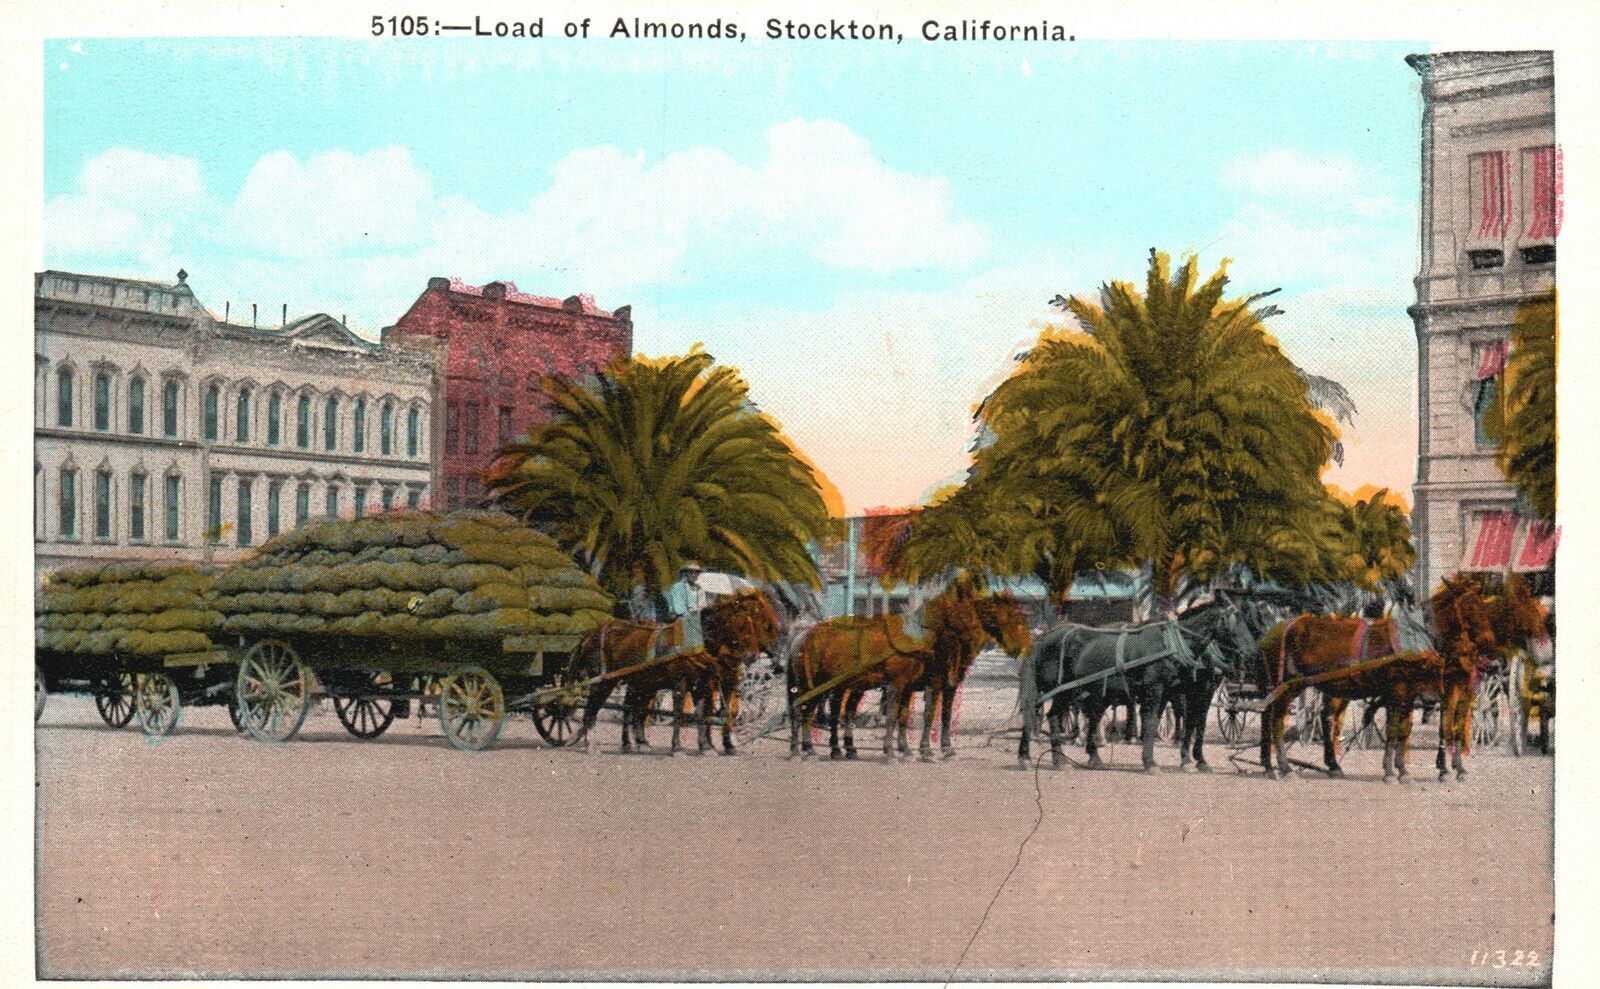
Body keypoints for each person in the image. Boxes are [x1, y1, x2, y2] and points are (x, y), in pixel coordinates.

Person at [660, 562, 708, 655]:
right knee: (683, 622)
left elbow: (703, 605)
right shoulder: (678, 587)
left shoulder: (700, 589)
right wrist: (693, 610)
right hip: (681, 617)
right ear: (686, 573)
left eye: (696, 572)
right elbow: (679, 608)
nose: (694, 575)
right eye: (691, 572)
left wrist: (697, 609)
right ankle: (680, 649)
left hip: (698, 617)